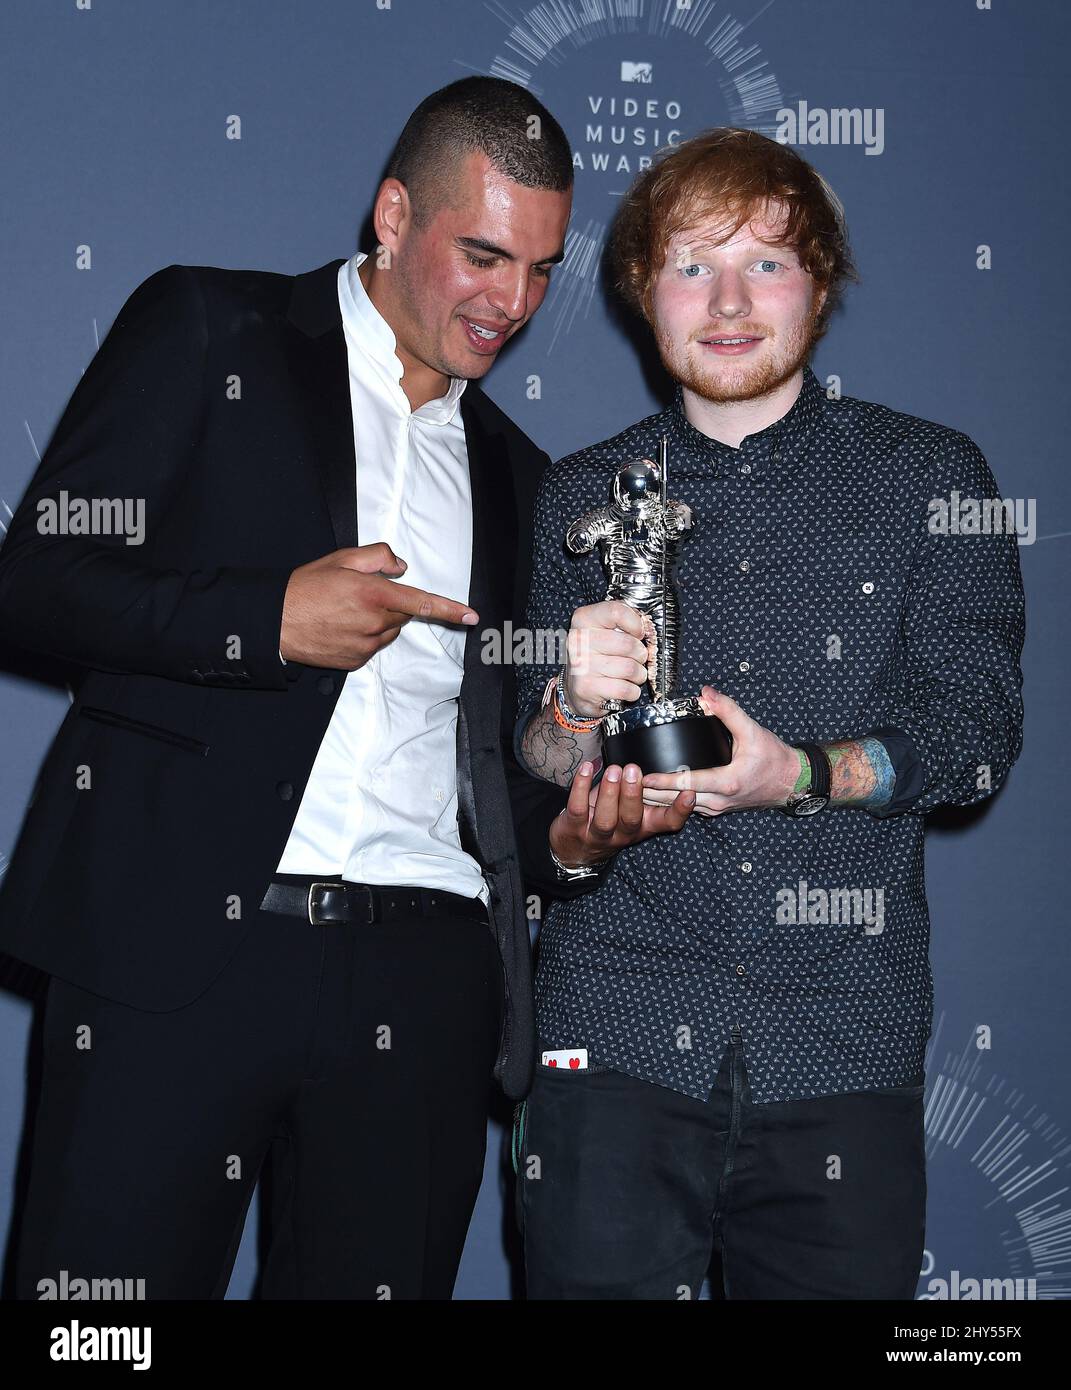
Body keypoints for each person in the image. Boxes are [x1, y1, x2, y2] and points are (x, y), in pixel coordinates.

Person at [0, 76, 691, 1301]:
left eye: (538, 271)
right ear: (390, 215)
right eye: (483, 255)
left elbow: (500, 774)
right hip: (180, 955)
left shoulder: (522, 478)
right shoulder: (211, 331)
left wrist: (575, 838)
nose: (512, 304)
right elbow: (37, 579)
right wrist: (264, 621)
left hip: (422, 984)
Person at [512, 126, 1025, 1299]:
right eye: (693, 263)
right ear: (644, 292)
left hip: (840, 1034)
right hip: (612, 1028)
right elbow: (534, 760)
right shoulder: (577, 495)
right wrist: (566, 702)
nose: (729, 301)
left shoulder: (934, 477)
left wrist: (796, 772)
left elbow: (978, 737)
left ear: (824, 284)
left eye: (768, 262)